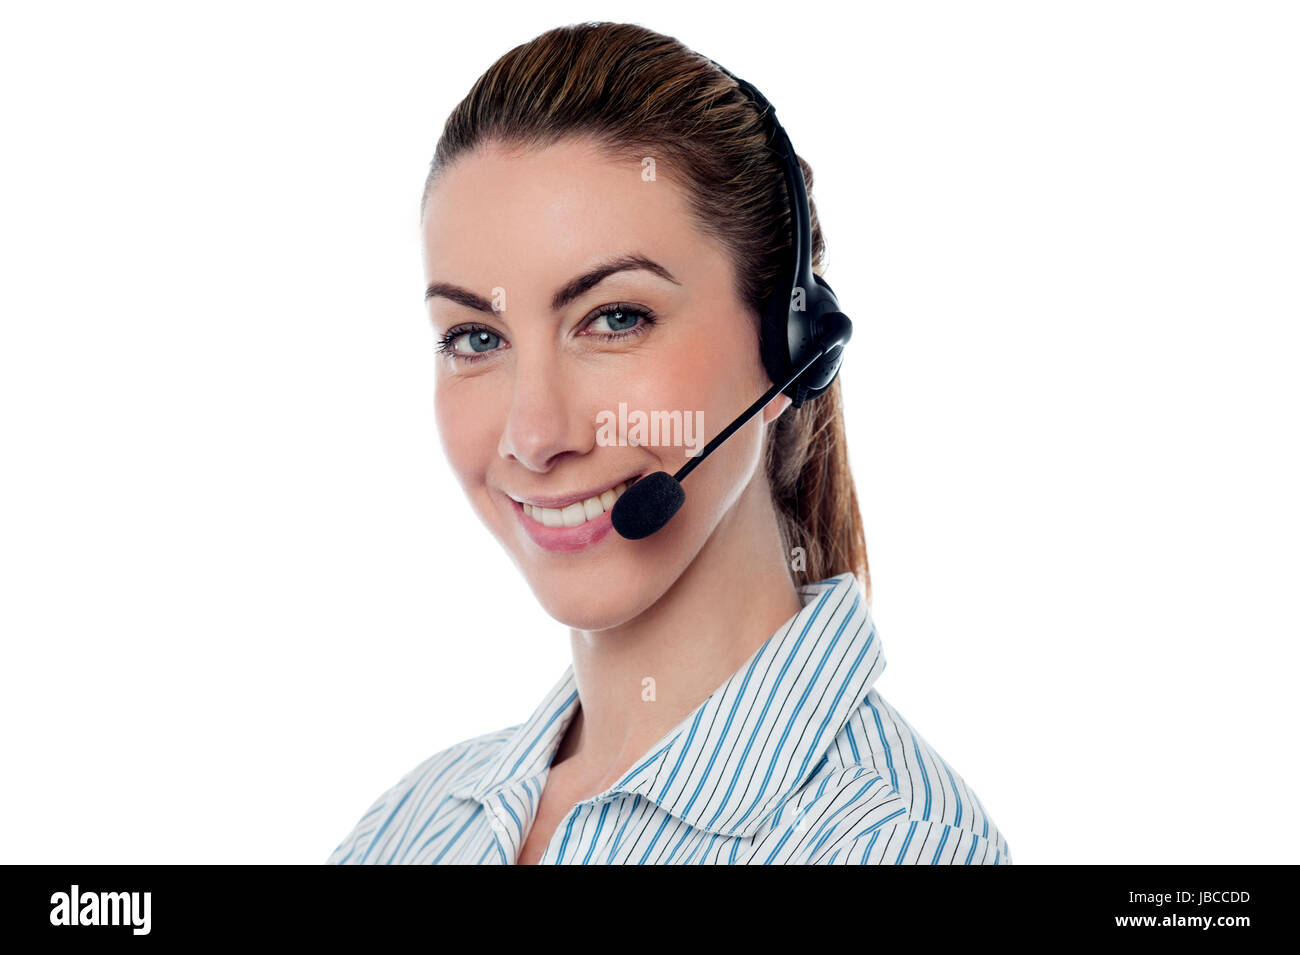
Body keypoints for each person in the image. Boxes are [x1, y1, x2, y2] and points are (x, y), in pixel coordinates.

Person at [327, 21, 1012, 865]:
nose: (535, 436)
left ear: (786, 350)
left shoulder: (895, 843)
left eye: (615, 319)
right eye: (475, 337)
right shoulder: (411, 825)